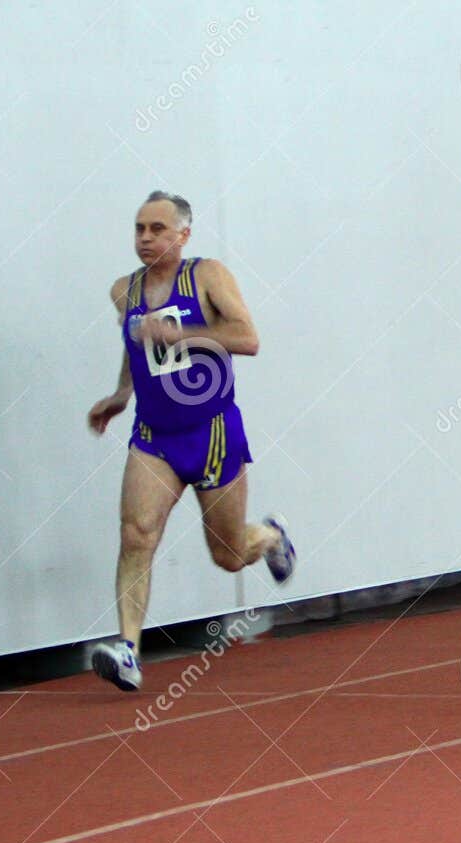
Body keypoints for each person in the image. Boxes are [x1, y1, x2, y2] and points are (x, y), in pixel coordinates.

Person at [85, 191, 295, 692]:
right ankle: (129, 650)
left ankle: (267, 536)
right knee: (136, 535)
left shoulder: (207, 276)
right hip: (154, 437)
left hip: (212, 432)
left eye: (157, 229)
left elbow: (248, 339)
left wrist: (183, 335)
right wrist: (121, 393)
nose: (145, 238)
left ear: (183, 234)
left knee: (226, 555)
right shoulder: (124, 291)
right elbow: (136, 349)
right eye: (139, 228)